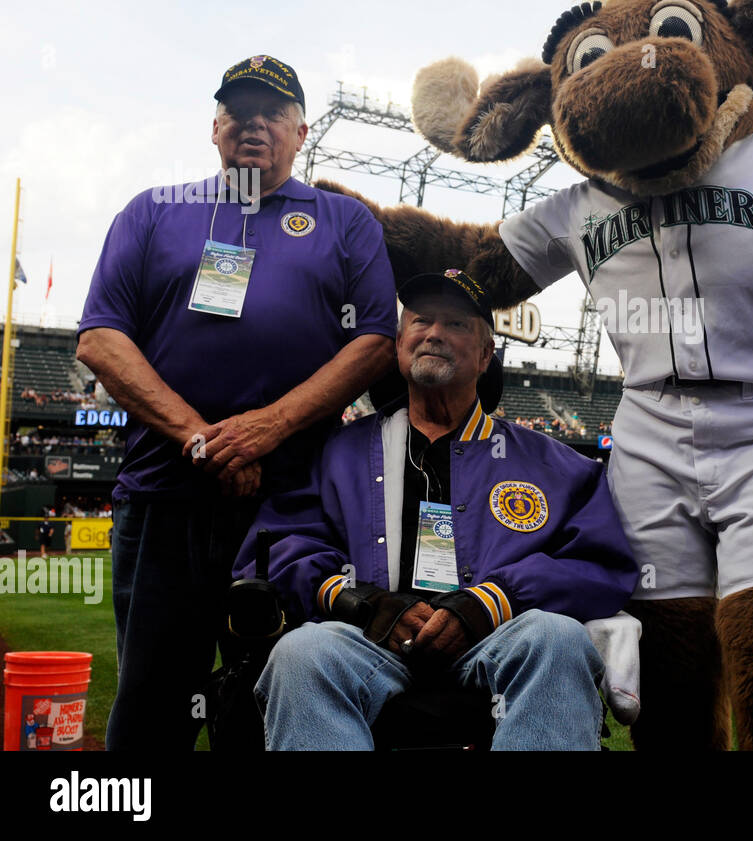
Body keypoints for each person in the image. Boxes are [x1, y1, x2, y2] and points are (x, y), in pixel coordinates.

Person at [76, 55, 398, 749]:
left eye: (272, 112)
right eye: (239, 109)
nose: (254, 123)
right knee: (152, 704)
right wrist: (201, 436)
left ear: (302, 132)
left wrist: (269, 427)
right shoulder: (154, 211)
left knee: (284, 699)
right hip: (167, 496)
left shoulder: (344, 222)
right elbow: (100, 338)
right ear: (214, 126)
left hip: (295, 509)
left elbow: (375, 340)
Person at [237, 270, 637, 749]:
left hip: (501, 639)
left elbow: (600, 564)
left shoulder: (558, 466)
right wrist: (363, 603)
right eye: (421, 321)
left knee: (557, 638)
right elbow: (279, 546)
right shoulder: (336, 453)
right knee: (302, 651)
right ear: (400, 344)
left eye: (457, 325)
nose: (434, 333)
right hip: (367, 641)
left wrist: (488, 602)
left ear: (486, 354)